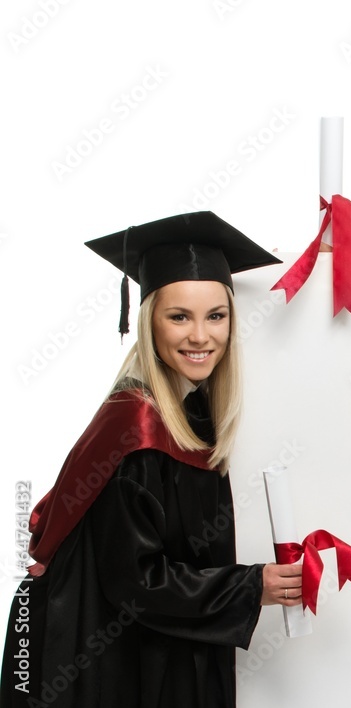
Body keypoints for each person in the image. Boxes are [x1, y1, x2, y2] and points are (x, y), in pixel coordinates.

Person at [0, 212, 303, 708]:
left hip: (156, 649)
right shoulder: (135, 429)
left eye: (216, 316)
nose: (201, 336)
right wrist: (252, 586)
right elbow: (137, 583)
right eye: (179, 316)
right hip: (113, 660)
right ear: (148, 320)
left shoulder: (190, 410)